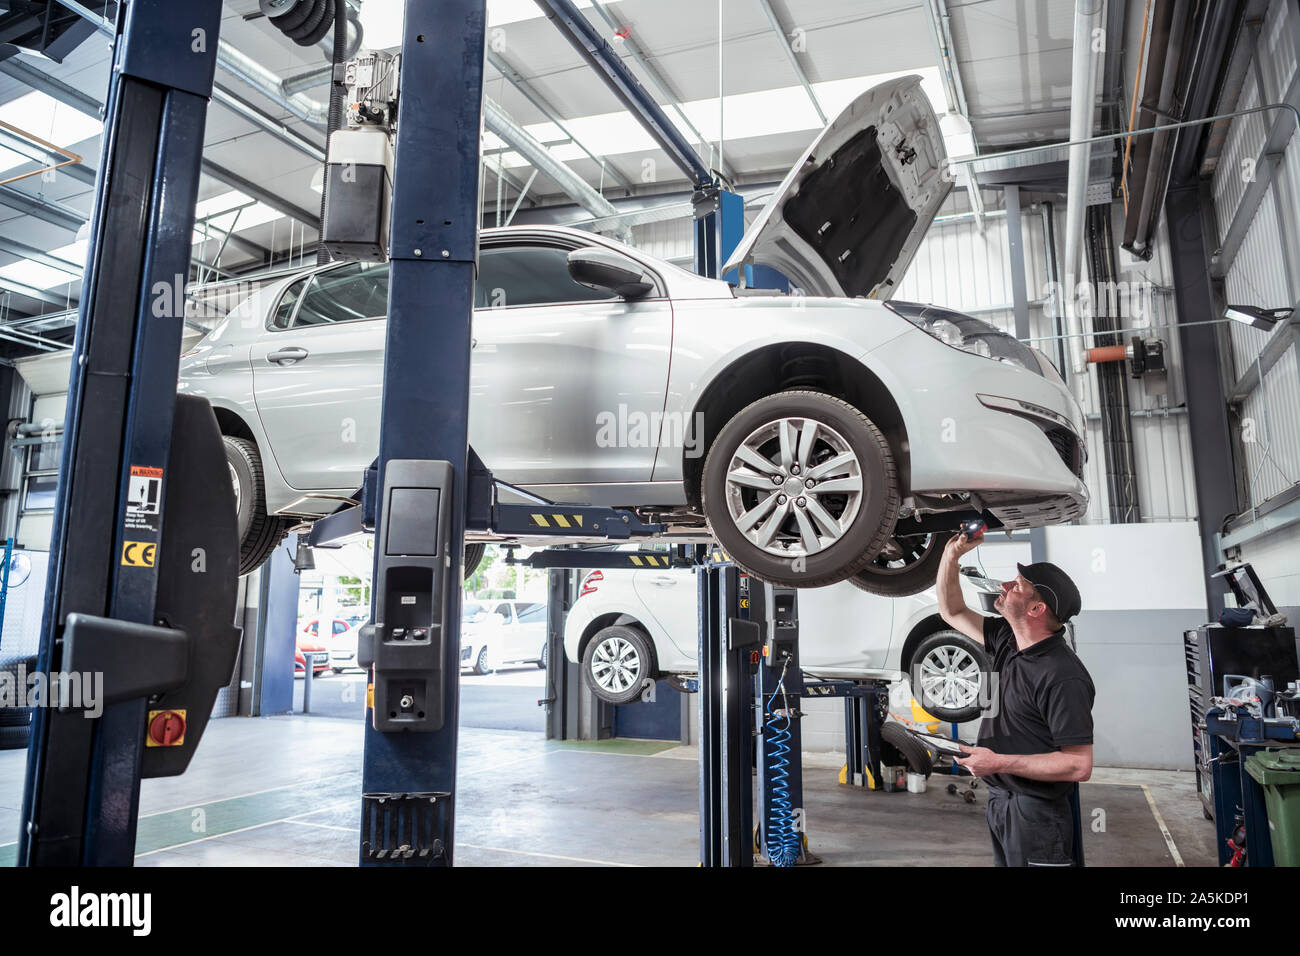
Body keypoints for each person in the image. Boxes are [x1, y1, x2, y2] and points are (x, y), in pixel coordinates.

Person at [935, 528, 1094, 867]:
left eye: (1018, 585)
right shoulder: (1008, 641)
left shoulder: (1063, 676)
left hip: (1038, 814)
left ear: (1036, 608)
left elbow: (1079, 765)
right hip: (1001, 802)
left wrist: (998, 762)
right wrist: (950, 556)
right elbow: (952, 611)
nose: (1005, 586)